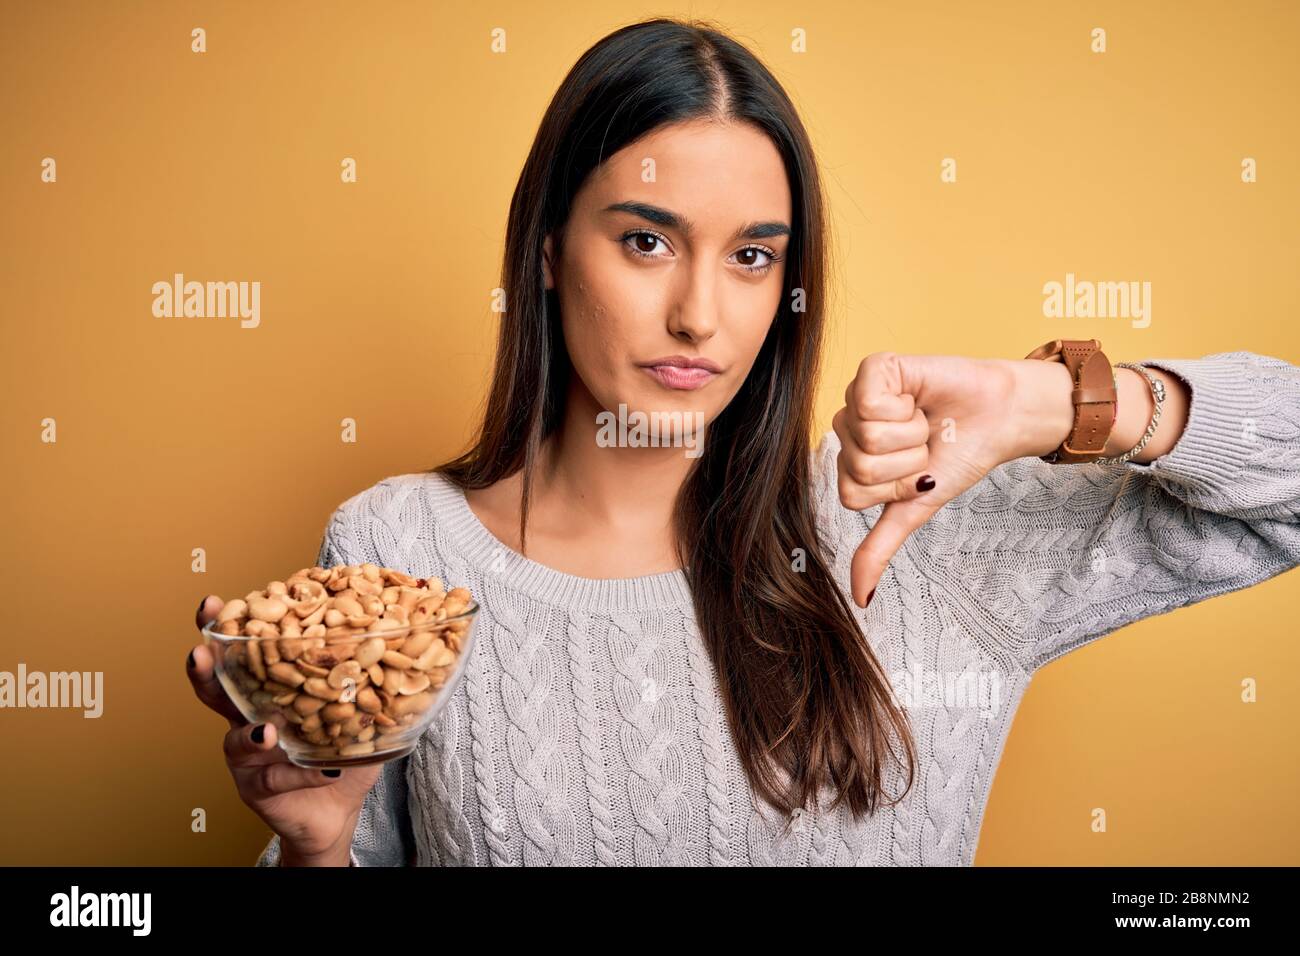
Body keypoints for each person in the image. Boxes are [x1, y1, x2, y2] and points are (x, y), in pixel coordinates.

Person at [186, 17, 1300, 866]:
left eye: (753, 256)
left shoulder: (907, 524)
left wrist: (1059, 401)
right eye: (644, 240)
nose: (700, 317)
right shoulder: (398, 548)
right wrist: (319, 842)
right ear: (543, 248)